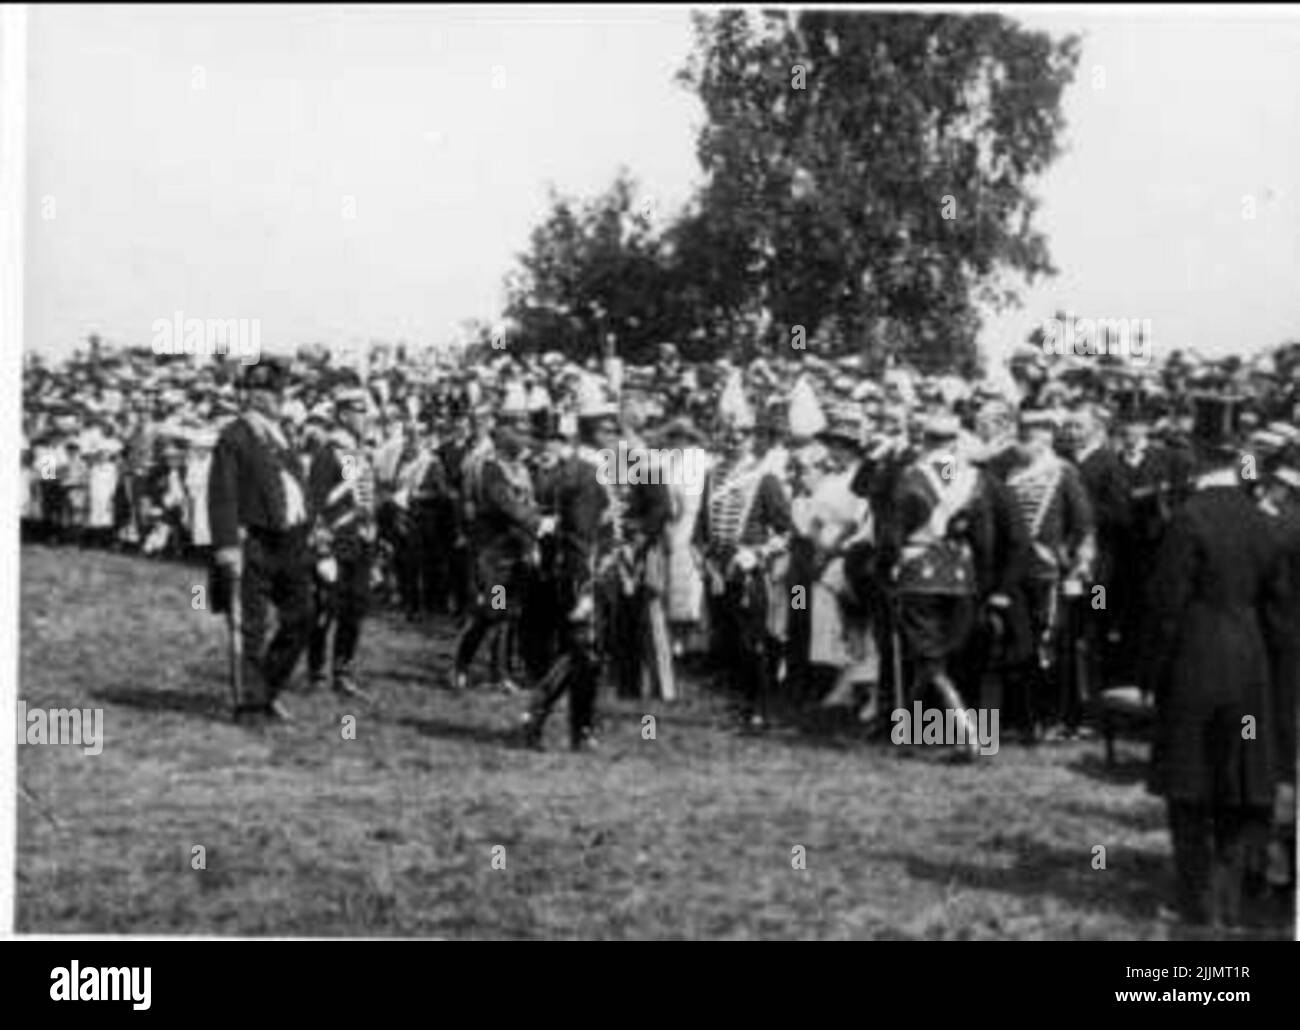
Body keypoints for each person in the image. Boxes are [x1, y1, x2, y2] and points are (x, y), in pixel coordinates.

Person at [1141, 423, 1297, 929]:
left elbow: (1165, 607)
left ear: (1198, 458)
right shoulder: (1263, 522)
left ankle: (1194, 901)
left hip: (1194, 664)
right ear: (1237, 460)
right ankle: (1230, 898)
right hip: (1249, 667)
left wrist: (1151, 674)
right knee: (1236, 782)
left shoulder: (1187, 520)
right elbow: (1280, 617)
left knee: (1188, 786)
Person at [208, 359, 314, 722]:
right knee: (248, 626)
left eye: (275, 391)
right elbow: (222, 493)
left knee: (301, 617)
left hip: (290, 541)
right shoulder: (234, 436)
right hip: (251, 539)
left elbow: (295, 487)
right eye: (266, 392)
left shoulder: (282, 436)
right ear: (250, 396)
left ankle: (266, 689)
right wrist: (226, 546)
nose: (274, 398)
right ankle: (248, 704)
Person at [307, 387, 378, 702]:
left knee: (355, 609)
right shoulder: (328, 453)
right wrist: (322, 550)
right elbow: (315, 505)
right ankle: (316, 672)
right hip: (336, 543)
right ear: (344, 415)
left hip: (361, 542)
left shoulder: (359, 454)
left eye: (365, 413)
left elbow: (365, 501)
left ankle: (342, 671)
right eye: (359, 413)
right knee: (326, 609)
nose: (365, 419)